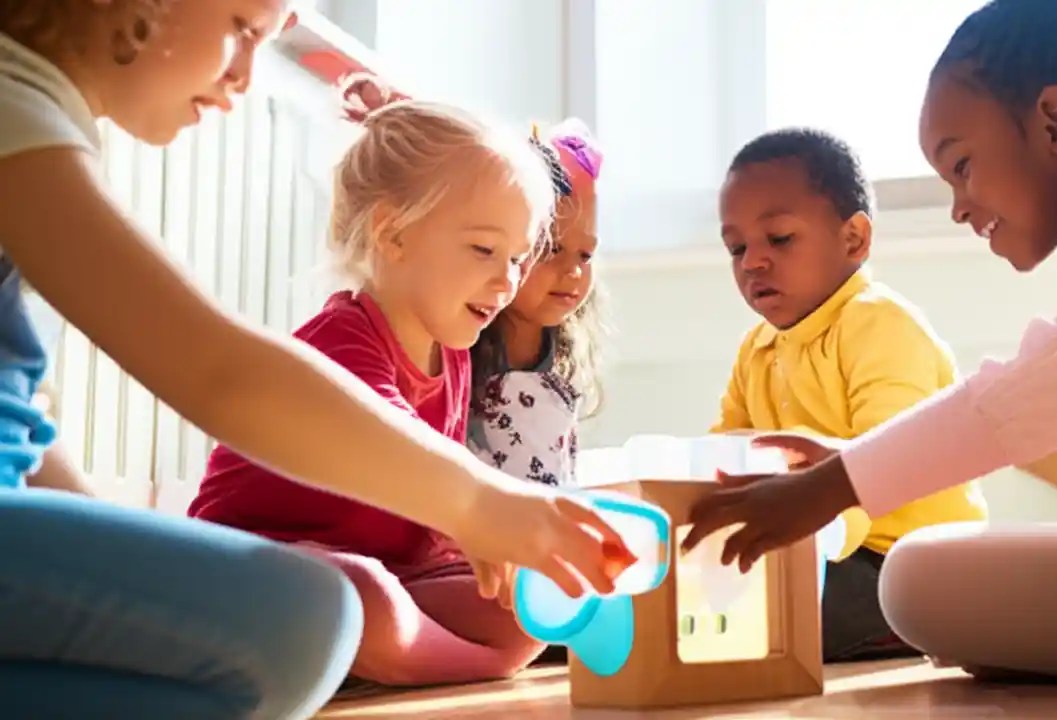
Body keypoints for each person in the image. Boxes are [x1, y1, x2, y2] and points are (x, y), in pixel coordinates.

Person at [0, 3, 623, 717]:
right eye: (240, 26)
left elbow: (26, 429)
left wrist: (112, 552)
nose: (245, 74)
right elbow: (220, 374)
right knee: (315, 616)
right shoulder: (12, 107)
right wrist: (479, 501)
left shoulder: (35, 119)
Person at [683, 0, 1057, 683]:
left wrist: (830, 487)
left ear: (1053, 123)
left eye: (962, 166)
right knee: (931, 571)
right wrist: (850, 465)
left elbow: (1014, 409)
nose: (959, 206)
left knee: (912, 579)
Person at [190, 76, 581, 687]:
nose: (507, 282)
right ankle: (457, 667)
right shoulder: (344, 338)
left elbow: (424, 529)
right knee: (365, 598)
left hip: (385, 570)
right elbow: (398, 450)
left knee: (519, 603)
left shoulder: (451, 351)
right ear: (392, 234)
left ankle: (373, 660)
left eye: (517, 258)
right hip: (252, 568)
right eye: (484, 251)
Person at [710, 127, 986, 663]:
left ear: (854, 239)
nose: (752, 262)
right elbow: (724, 450)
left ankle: (907, 629)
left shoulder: (880, 325)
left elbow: (892, 458)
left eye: (780, 239)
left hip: (903, 559)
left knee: (772, 614)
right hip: (815, 548)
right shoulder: (757, 349)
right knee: (698, 593)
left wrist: (799, 545)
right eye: (736, 248)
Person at [468, 119, 605, 488]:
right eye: (551, 249)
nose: (573, 271)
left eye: (586, 255)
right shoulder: (464, 345)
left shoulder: (560, 353)